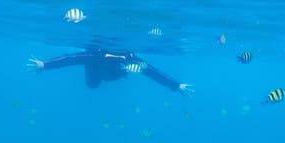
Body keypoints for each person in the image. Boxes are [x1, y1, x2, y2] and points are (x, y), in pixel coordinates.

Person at [27, 45, 193, 94]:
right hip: (97, 70)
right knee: (92, 85)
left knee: (94, 80)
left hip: (113, 73)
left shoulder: (129, 58)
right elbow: (72, 59)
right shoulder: (95, 55)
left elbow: (151, 71)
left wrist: (175, 85)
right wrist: (45, 64)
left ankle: (116, 73)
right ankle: (102, 72)